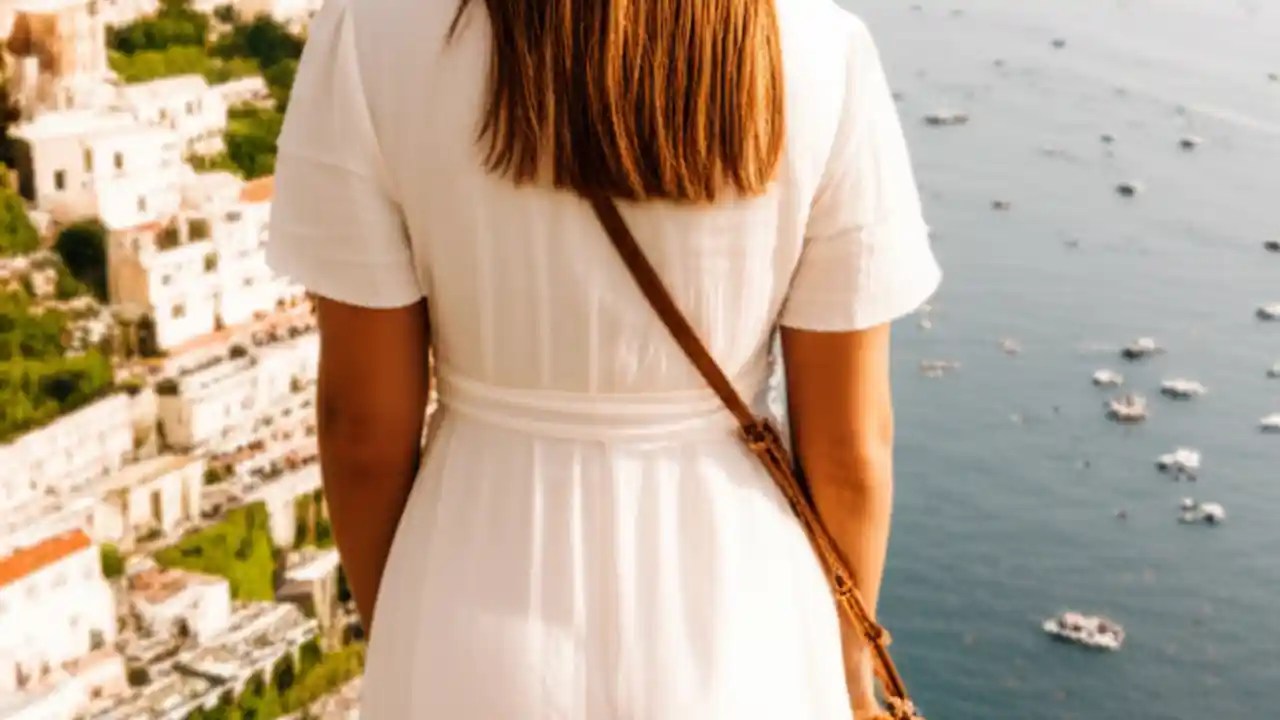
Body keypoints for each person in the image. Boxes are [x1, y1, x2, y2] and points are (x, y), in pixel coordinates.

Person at [266, 0, 940, 717]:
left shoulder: (371, 36)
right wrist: (848, 674)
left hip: (470, 580)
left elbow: (360, 431)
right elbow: (849, 449)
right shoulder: (821, 49)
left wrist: (406, 630)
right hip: (746, 603)